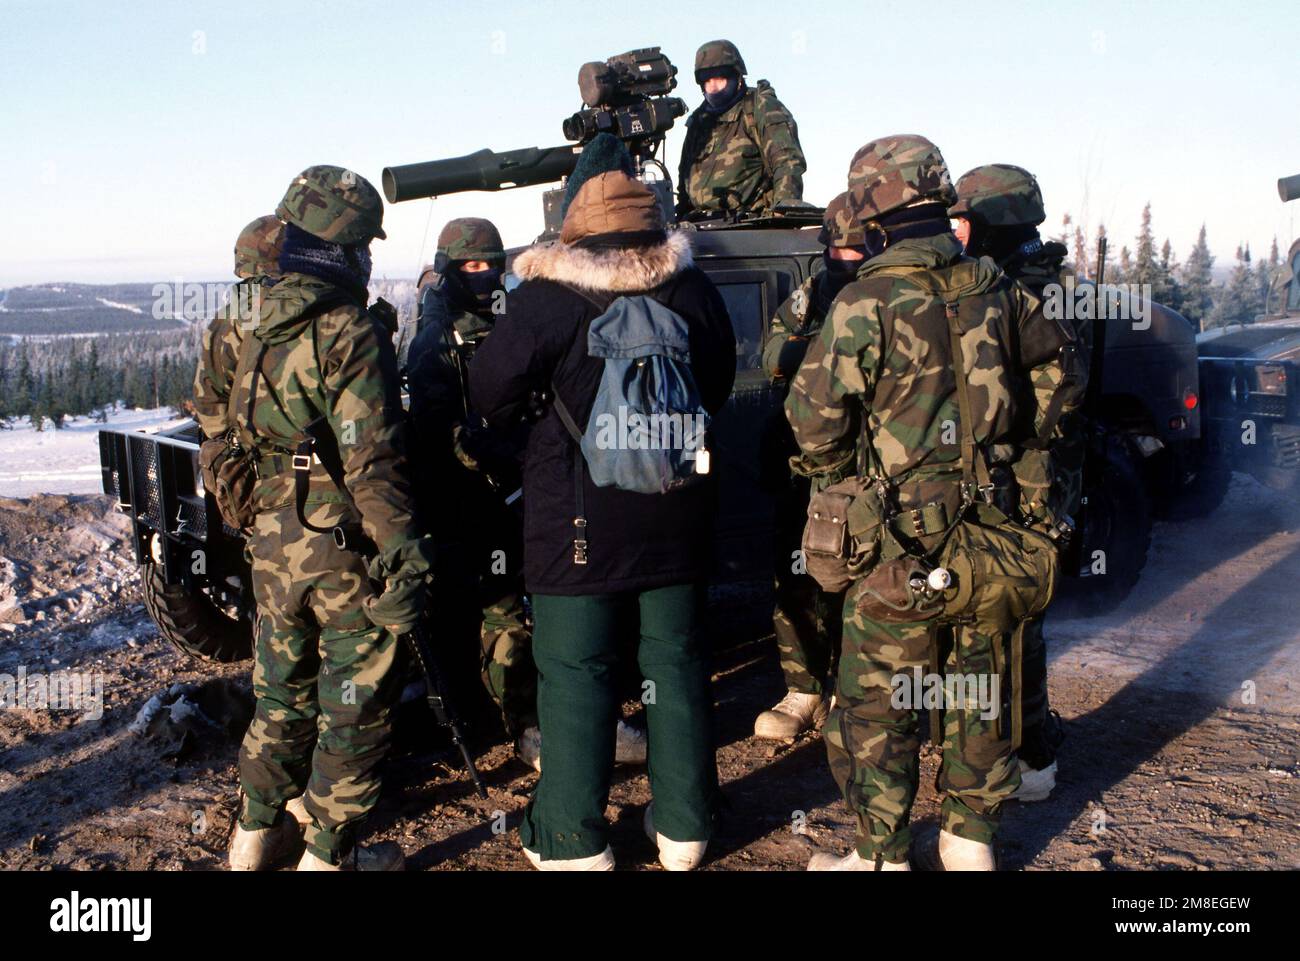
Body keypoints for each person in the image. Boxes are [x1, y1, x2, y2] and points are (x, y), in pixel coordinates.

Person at [786, 136, 1083, 871]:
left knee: (877, 705)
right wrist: (1017, 456)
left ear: (871, 209)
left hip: (895, 547)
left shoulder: (864, 303)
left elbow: (811, 423)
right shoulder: (1001, 289)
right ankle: (969, 840)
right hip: (997, 536)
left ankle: (879, 854)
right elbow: (1060, 380)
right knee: (980, 690)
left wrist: (851, 471)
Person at [470, 134, 736, 870]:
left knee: (577, 671)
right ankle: (685, 827)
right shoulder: (692, 290)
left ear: (576, 230)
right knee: (677, 662)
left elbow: (488, 393)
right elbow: (715, 382)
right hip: (677, 510)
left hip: (577, 526)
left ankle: (570, 837)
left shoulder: (545, 302)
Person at [212, 166, 432, 871]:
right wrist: (404, 553)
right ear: (345, 246)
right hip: (342, 551)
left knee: (279, 692)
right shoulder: (347, 330)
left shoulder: (249, 322)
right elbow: (373, 462)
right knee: (352, 701)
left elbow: (221, 429)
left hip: (273, 544)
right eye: (365, 243)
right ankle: (328, 856)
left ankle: (253, 837)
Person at [403, 217, 650, 770]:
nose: (485, 274)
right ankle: (531, 728)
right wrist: (488, 451)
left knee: (559, 603)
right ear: (448, 269)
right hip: (476, 499)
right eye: (471, 266)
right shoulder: (436, 338)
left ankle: (571, 714)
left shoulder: (510, 314)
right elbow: (434, 427)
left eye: (493, 263)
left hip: (533, 486)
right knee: (506, 612)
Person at [950, 163, 1083, 802]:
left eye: (967, 221)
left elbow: (1055, 404)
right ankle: (990, 744)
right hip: (1002, 482)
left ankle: (1031, 757)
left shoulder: (1043, 293)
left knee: (1020, 623)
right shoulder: (1003, 286)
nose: (958, 233)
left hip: (1032, 486)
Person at [753, 193, 864, 739]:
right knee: (794, 576)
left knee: (857, 580)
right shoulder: (808, 297)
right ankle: (803, 688)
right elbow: (775, 355)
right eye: (839, 249)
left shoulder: (887, 299)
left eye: (858, 248)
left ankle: (850, 690)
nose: (848, 259)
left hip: (860, 470)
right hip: (801, 465)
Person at [675, 39, 807, 220]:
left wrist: (782, 215)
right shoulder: (700, 120)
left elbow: (787, 162)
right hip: (701, 224)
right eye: (707, 81)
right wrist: (682, 215)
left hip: (748, 224)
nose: (713, 87)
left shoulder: (759, 107)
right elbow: (685, 175)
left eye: (719, 79)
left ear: (736, 77)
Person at [194, 215, 284, 441]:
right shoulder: (295, 309)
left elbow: (208, 398)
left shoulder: (228, 316)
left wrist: (233, 449)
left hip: (247, 461)